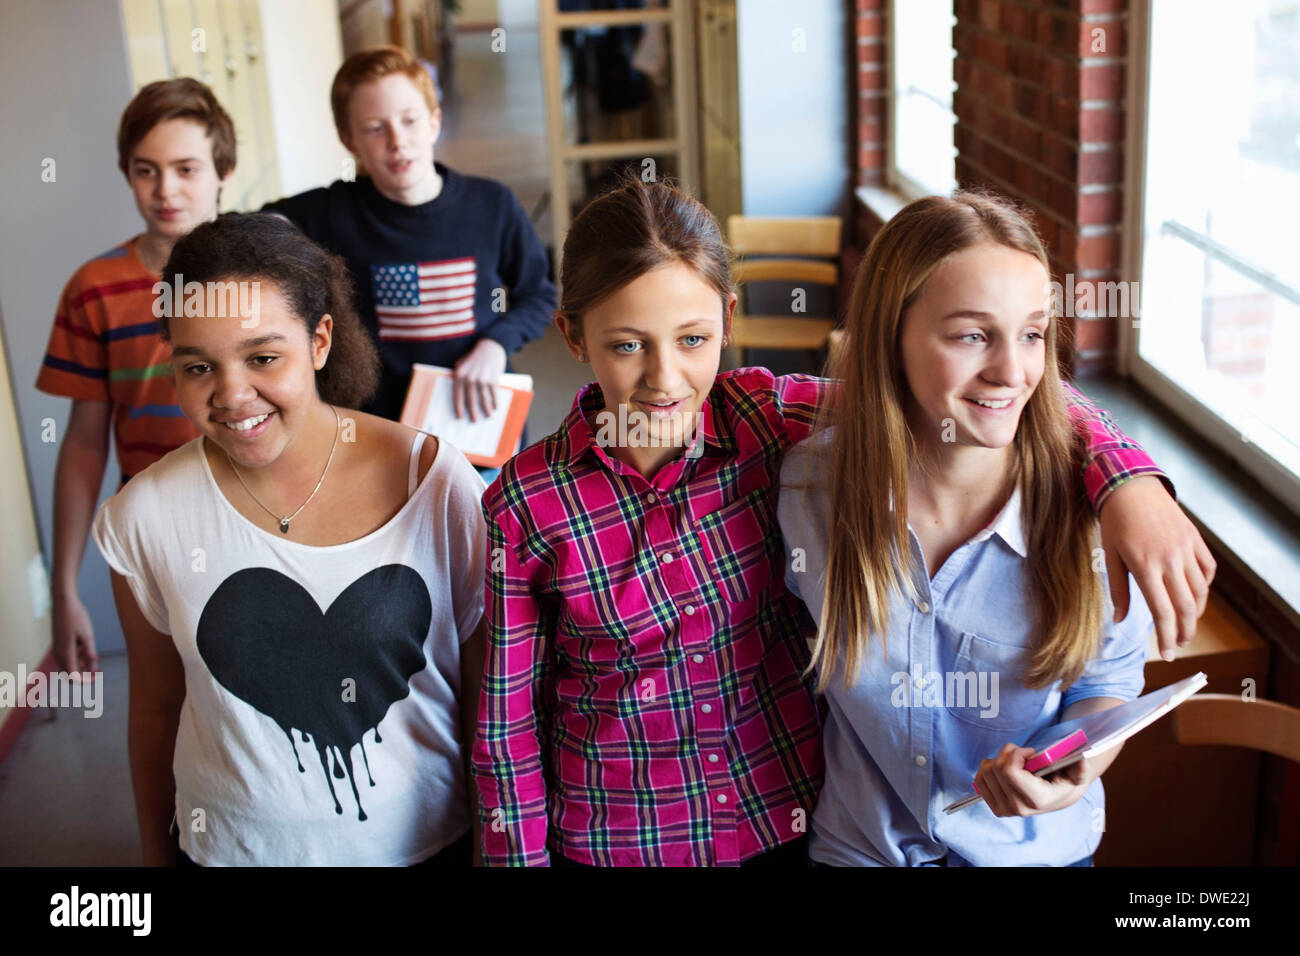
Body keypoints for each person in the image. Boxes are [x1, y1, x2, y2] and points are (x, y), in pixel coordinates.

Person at [470, 177, 1210, 867]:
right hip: (627, 836)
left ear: (727, 323)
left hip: (780, 822)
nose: (664, 379)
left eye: (692, 340)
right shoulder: (530, 505)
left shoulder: (764, 419)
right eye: (627, 345)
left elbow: (998, 395)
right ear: (574, 337)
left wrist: (1129, 480)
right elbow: (507, 734)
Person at [777, 192, 1191, 866]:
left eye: (1031, 333)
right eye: (972, 335)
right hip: (858, 849)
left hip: (1028, 853)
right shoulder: (806, 490)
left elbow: (1104, 688)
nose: (1011, 371)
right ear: (892, 337)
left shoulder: (1092, 517)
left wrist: (1068, 776)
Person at [92, 214, 487, 866]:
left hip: (431, 843)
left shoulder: (431, 481)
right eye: (198, 367)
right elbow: (156, 712)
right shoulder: (145, 518)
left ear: (320, 340)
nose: (232, 394)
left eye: (263, 357)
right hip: (228, 851)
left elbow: (484, 689)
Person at [36, 78, 236, 675]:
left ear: (222, 169)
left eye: (186, 168)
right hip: (155, 528)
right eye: (146, 170)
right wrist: (65, 590)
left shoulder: (266, 273)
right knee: (164, 698)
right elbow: (83, 442)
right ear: (126, 172)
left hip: (262, 511)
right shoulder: (93, 289)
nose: (166, 190)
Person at [263, 45, 555, 426]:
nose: (397, 141)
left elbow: (538, 294)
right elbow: (249, 225)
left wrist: (496, 344)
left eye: (410, 121)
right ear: (349, 140)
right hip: (380, 425)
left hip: (476, 413)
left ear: (434, 122)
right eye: (374, 128)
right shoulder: (331, 212)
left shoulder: (491, 204)